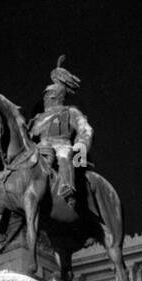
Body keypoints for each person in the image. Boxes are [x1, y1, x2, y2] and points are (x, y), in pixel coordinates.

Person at [28, 57, 92, 203]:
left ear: (59, 95)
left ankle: (66, 188)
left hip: (62, 144)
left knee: (64, 155)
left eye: (51, 95)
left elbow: (85, 130)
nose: (47, 98)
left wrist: (80, 146)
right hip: (41, 147)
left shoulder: (70, 112)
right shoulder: (38, 118)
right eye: (46, 95)